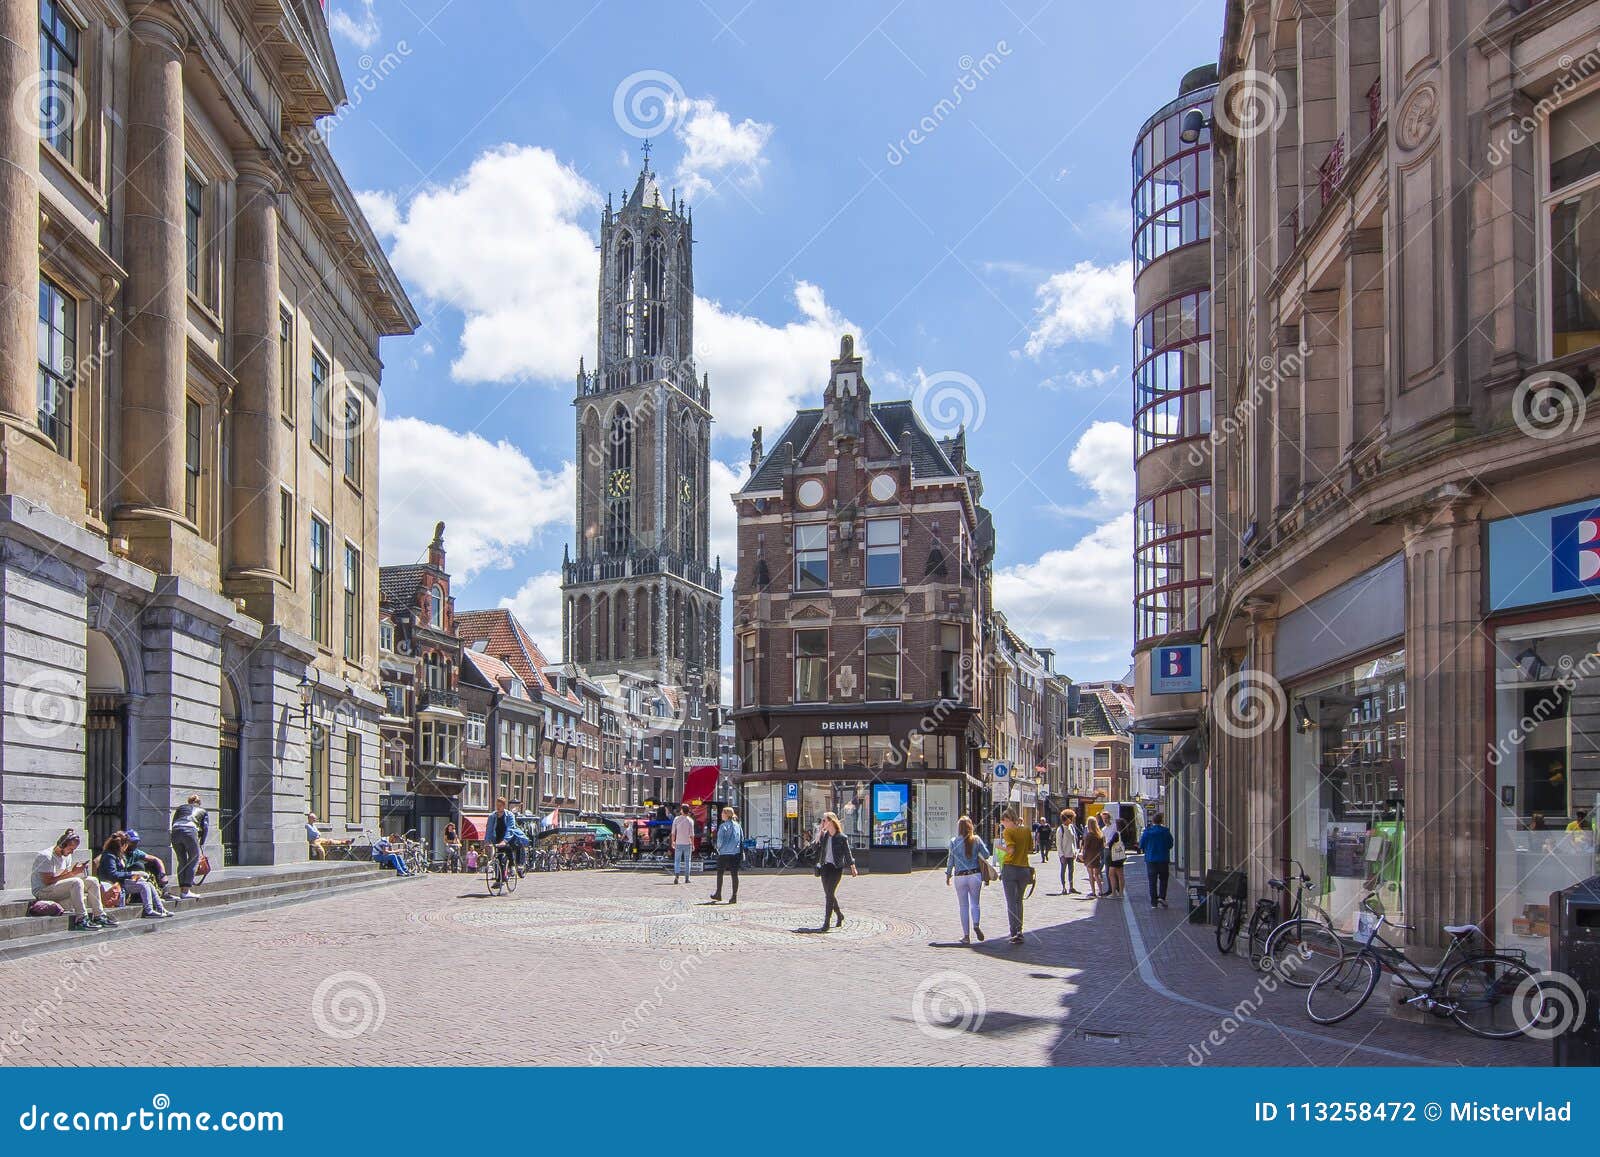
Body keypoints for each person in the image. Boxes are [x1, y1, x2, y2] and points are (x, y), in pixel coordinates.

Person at [31, 829, 114, 931]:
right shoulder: (46, 856)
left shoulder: (66, 856)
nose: (72, 852)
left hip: (56, 887)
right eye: (70, 849)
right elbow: (47, 881)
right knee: (76, 882)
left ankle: (99, 915)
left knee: (92, 881)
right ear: (62, 845)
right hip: (43, 891)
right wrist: (73, 874)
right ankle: (81, 919)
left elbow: (64, 876)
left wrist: (77, 871)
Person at [95, 833, 170, 918]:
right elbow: (113, 874)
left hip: (120, 883)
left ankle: (161, 908)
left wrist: (135, 877)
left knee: (148, 884)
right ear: (123, 845)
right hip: (113, 885)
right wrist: (132, 873)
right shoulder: (109, 856)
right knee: (144, 885)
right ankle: (148, 911)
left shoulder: (119, 855)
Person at [807, 812, 856, 931]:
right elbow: (813, 848)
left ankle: (826, 923)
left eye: (824, 821)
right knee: (829, 894)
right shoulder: (824, 836)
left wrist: (852, 866)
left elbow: (847, 853)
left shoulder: (842, 837)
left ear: (831, 822)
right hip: (825, 868)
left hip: (836, 868)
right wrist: (818, 835)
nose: (822, 823)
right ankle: (839, 915)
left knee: (829, 894)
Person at [945, 815, 990, 944]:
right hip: (975, 875)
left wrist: (948, 874)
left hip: (960, 876)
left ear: (959, 828)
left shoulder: (954, 841)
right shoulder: (976, 839)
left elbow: (950, 860)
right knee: (975, 903)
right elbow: (986, 854)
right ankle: (976, 924)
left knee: (963, 906)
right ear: (971, 827)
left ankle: (966, 936)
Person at [998, 810, 1034, 944]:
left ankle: (1013, 932)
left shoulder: (1007, 832)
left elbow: (1011, 849)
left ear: (1007, 820)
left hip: (1010, 868)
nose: (1003, 824)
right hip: (1024, 869)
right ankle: (1019, 930)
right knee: (1019, 901)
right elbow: (1030, 848)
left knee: (1011, 902)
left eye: (1003, 822)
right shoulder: (1026, 830)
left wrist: (1000, 847)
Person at [169, 794, 208, 899]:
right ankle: (186, 891)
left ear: (189, 801)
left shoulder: (180, 808)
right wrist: (202, 842)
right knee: (194, 860)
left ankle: (182, 889)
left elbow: (174, 822)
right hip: (190, 831)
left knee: (181, 861)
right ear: (199, 803)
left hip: (176, 831)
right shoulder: (202, 811)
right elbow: (205, 827)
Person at [122, 830, 175, 900]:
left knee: (153, 864)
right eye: (132, 842)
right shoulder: (120, 852)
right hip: (125, 877)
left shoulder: (135, 852)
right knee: (139, 866)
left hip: (134, 876)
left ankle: (162, 892)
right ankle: (137, 896)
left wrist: (163, 875)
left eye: (136, 842)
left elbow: (157, 860)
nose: (134, 844)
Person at [1139, 812, 1174, 908]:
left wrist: (1148, 849)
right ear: (1161, 821)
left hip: (1151, 859)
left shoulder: (1147, 832)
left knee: (1152, 881)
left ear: (1153, 821)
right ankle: (1162, 897)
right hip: (1163, 859)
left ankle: (1154, 902)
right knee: (1163, 880)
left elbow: (1141, 844)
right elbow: (1170, 844)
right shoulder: (1165, 831)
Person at [710, 807, 744, 903]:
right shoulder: (738, 825)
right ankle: (734, 896)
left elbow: (720, 841)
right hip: (735, 853)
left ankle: (718, 893)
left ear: (726, 815)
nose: (721, 815)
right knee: (734, 875)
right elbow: (741, 839)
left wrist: (718, 848)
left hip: (724, 853)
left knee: (720, 873)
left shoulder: (723, 826)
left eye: (722, 813)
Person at [485, 797, 521, 882]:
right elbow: (489, 829)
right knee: (499, 858)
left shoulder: (510, 815)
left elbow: (510, 829)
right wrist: (487, 841)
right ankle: (500, 879)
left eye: (500, 805)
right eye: (497, 805)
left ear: (504, 806)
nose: (498, 807)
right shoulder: (492, 816)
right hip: (497, 838)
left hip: (509, 837)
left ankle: (512, 865)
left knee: (507, 847)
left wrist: (504, 841)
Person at [1056, 809, 1082, 895]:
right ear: (1067, 819)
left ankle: (1071, 887)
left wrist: (1075, 851)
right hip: (1064, 854)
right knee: (1063, 870)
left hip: (1071, 854)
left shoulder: (1072, 827)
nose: (1073, 820)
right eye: (1072, 818)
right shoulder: (1060, 829)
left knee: (1071, 871)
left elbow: (1074, 840)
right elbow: (1058, 844)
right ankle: (1063, 887)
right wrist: (1061, 855)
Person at [1080, 812, 1105, 899]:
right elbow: (1102, 847)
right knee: (1097, 875)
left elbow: (1085, 847)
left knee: (1091, 875)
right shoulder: (1100, 835)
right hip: (1097, 856)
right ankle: (1101, 891)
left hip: (1089, 857)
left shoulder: (1089, 835)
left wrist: (1083, 856)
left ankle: (1093, 892)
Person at [1103, 813, 1126, 900]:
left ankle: (1114, 893)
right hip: (1120, 855)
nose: (1105, 820)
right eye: (1103, 818)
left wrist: (1107, 844)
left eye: (1106, 818)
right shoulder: (1104, 829)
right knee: (1120, 874)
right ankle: (1120, 893)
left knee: (1111, 874)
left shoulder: (1116, 832)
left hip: (1114, 854)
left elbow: (1110, 844)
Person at [671, 805, 695, 884]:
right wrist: (693, 844)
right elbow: (692, 834)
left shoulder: (676, 819)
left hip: (678, 842)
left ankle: (677, 876)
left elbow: (673, 832)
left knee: (677, 860)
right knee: (687, 861)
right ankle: (687, 878)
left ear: (681, 810)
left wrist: (673, 841)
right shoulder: (690, 820)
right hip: (687, 843)